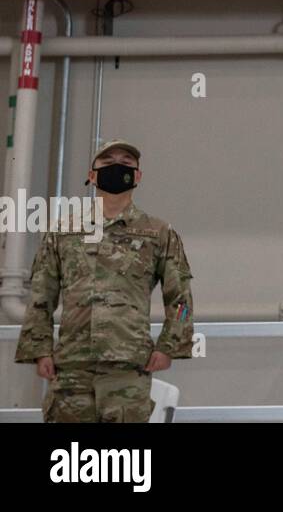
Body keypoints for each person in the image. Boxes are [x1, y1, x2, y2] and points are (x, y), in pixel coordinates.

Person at [15, 139, 194, 422]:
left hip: (128, 367)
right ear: (92, 175)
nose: (117, 168)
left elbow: (181, 299)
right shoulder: (64, 230)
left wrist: (169, 346)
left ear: (138, 176)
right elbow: (41, 295)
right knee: (73, 462)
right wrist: (40, 350)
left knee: (122, 463)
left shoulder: (158, 233)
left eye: (125, 164)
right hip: (72, 367)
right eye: (108, 163)